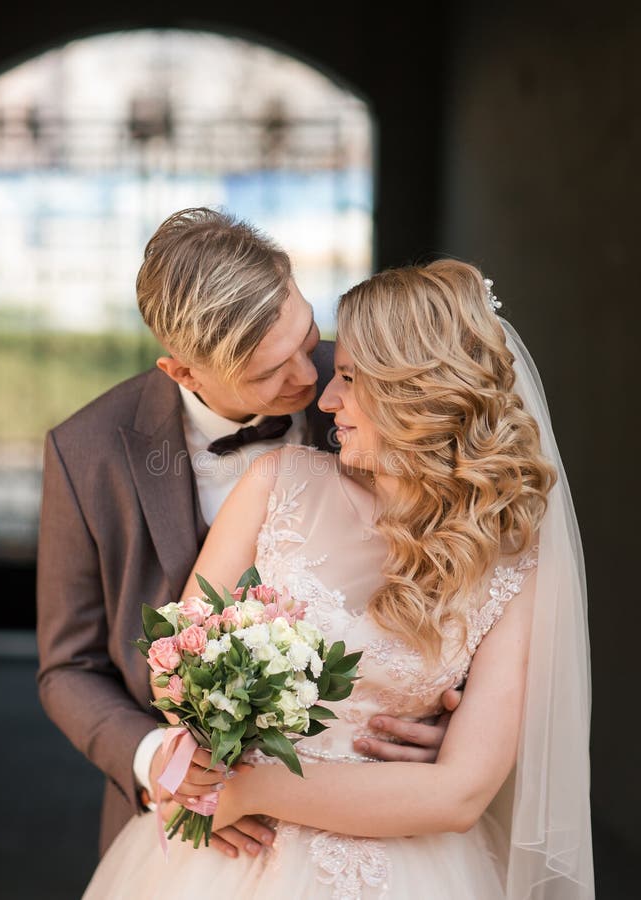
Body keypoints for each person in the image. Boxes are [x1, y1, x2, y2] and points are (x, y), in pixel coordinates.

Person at [82, 260, 594, 899]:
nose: (324, 396)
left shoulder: (511, 560)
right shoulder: (276, 482)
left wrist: (250, 790)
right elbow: (178, 664)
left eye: (348, 377)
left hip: (407, 864)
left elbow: (462, 792)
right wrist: (202, 773)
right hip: (232, 859)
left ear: (416, 392)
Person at [36, 208, 456, 860]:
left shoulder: (376, 383)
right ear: (183, 372)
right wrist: (164, 764)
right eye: (268, 373)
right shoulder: (86, 452)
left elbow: (467, 556)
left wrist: (456, 717)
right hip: (180, 830)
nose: (311, 379)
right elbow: (68, 666)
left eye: (308, 332)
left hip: (372, 810)